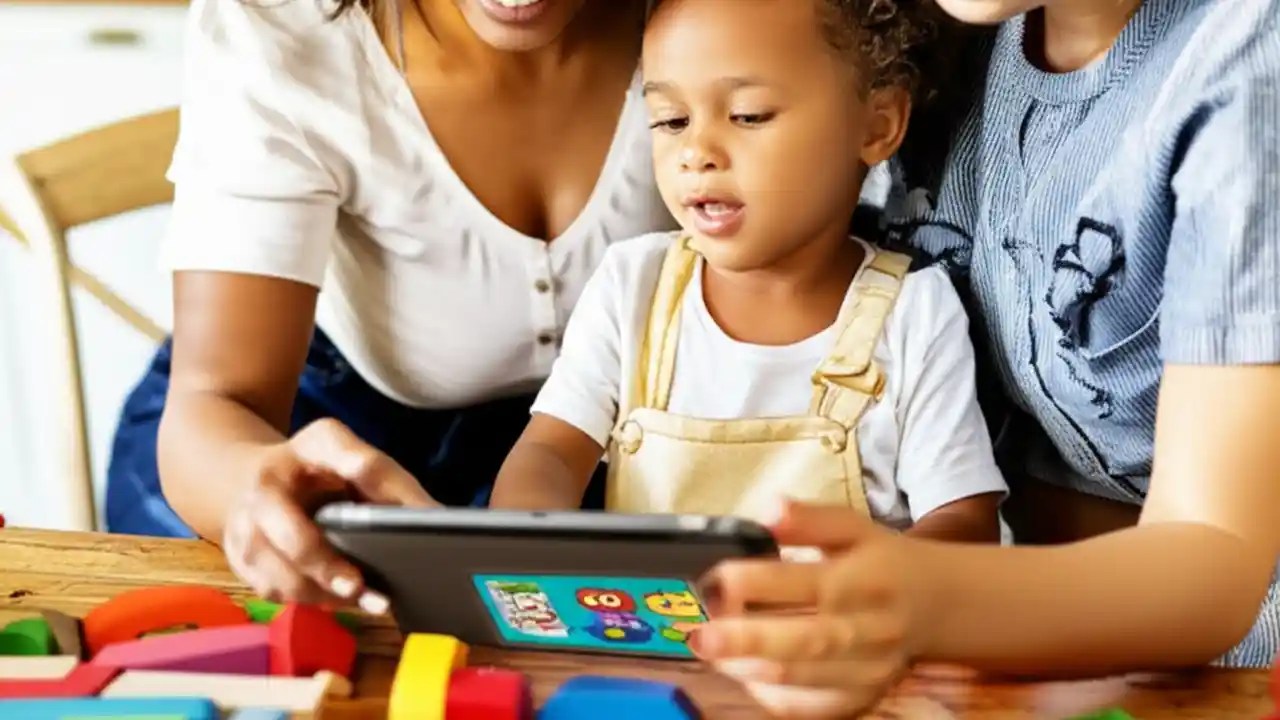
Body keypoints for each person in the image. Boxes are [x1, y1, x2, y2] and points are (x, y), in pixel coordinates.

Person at [685, 0, 1280, 716]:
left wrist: (921, 599)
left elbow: (1215, 565)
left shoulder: (1246, 56)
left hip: (1230, 673)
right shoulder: (923, 34)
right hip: (989, 660)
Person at [106, 0, 675, 613]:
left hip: (609, 436)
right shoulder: (284, 27)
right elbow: (217, 401)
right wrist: (248, 483)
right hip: (317, 417)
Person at [488, 0, 1008, 544]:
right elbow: (549, 451)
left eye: (748, 115)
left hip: (841, 629)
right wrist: (534, 540)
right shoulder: (631, 286)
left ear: (876, 126)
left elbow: (964, 523)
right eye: (671, 120)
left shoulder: (914, 315)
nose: (697, 152)